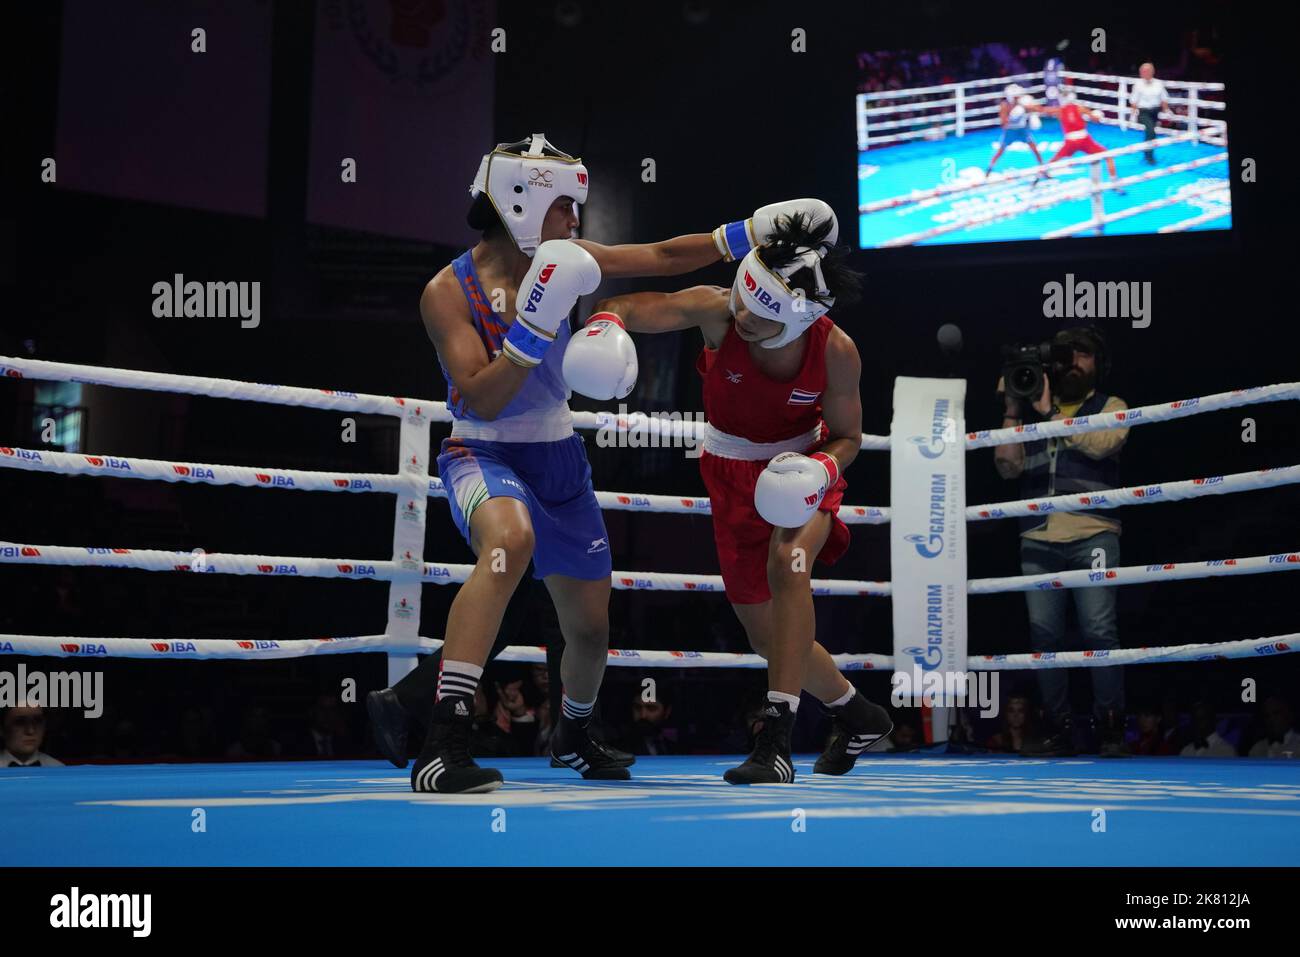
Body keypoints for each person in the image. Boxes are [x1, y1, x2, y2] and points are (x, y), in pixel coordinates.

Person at [391, 132, 829, 793]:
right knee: (509, 544)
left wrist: (745, 232)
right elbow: (480, 393)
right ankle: (442, 740)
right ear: (520, 201)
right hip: (483, 448)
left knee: (590, 629)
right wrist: (532, 330)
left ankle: (574, 732)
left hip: (560, 457)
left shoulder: (568, 258)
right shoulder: (444, 293)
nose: (575, 219)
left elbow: (655, 256)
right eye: (565, 204)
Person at [588, 209, 894, 784]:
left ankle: (774, 739)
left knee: (789, 565)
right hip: (729, 478)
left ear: (802, 316)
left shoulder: (836, 351)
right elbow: (625, 308)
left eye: (764, 311)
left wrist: (822, 466)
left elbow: (850, 436)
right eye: (746, 298)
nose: (747, 315)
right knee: (764, 633)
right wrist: (606, 328)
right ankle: (858, 714)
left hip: (805, 473)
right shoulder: (718, 311)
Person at [993, 326, 1129, 757]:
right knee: (1044, 637)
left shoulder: (1111, 406)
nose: (1073, 362)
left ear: (1098, 364)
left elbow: (1103, 444)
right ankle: (1058, 727)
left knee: (1099, 631)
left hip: (1092, 533)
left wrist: (1050, 411)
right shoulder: (1032, 409)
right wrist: (1014, 408)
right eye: (1066, 354)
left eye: (1083, 354)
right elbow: (1007, 468)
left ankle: (1110, 728)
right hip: (1037, 535)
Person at [1042, 82, 1123, 190]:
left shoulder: (1059, 111)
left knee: (1056, 158)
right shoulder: (1080, 108)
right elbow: (1096, 119)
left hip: (1070, 142)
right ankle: (1114, 183)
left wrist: (1027, 106)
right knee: (1108, 156)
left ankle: (1042, 172)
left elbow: (1044, 111)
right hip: (1084, 140)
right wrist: (1098, 115)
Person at [984, 84, 1048, 179]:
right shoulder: (1005, 105)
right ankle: (989, 170)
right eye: (1016, 96)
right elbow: (1003, 124)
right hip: (1010, 131)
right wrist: (1012, 116)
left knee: (1035, 149)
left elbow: (1038, 109)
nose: (1018, 97)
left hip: (1022, 130)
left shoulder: (1022, 102)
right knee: (1000, 151)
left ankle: (1043, 169)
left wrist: (1031, 112)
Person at [1129, 62, 1170, 165]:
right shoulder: (1137, 84)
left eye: (1147, 71)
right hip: (1143, 112)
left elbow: (1164, 97)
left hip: (1155, 111)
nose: (1145, 73)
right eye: (1143, 71)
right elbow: (1133, 100)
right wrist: (1133, 113)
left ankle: (1147, 151)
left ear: (1152, 72)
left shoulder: (1159, 83)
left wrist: (1166, 110)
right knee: (1150, 131)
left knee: (1151, 133)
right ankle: (1149, 156)